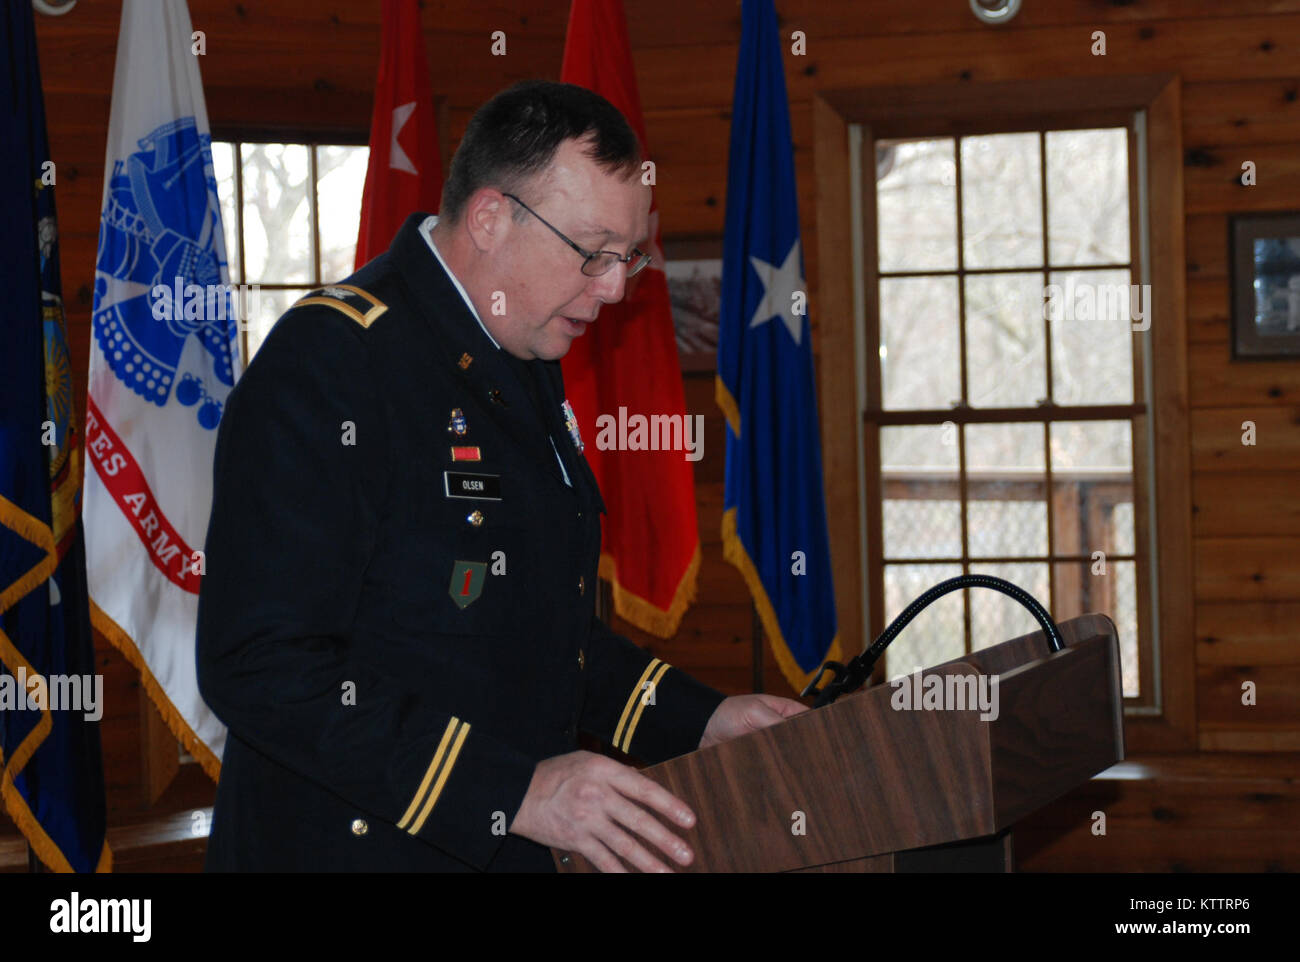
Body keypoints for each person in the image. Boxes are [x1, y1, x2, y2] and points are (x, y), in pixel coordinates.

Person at [195, 79, 806, 873]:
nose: (615, 288)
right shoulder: (336, 362)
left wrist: (699, 720)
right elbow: (260, 662)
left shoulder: (516, 350)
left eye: (628, 257)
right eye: (592, 253)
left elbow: (529, 630)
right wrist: (515, 791)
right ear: (489, 218)